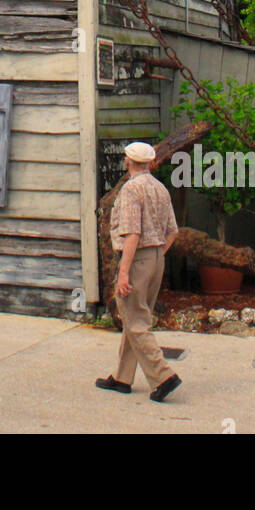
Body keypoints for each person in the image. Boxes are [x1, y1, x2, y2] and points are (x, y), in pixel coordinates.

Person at [96, 140, 182, 401]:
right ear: (151, 163)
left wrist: (124, 272)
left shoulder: (132, 190)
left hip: (137, 258)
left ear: (128, 162)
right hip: (157, 258)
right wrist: (156, 256)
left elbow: (132, 234)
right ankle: (123, 377)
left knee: (135, 321)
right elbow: (173, 232)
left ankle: (163, 376)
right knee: (134, 317)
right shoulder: (160, 189)